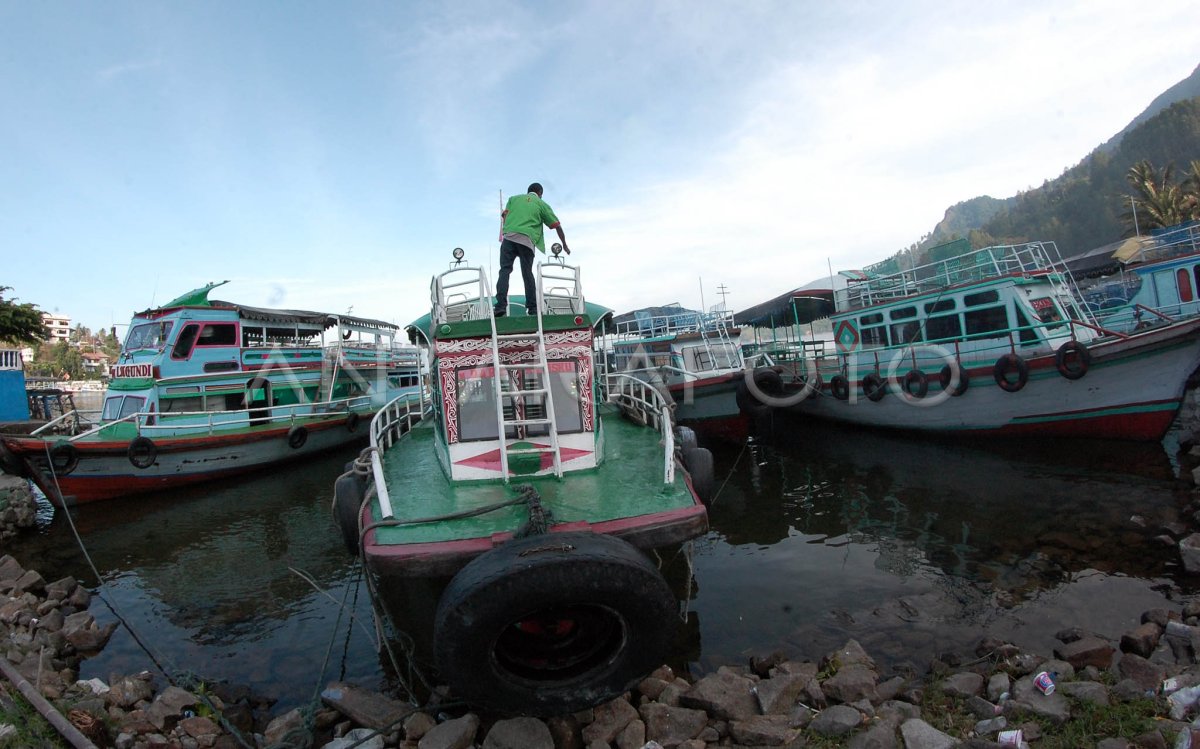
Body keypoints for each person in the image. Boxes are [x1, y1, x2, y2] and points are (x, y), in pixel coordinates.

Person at [494, 182, 569, 316]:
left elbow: (504, 217)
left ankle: (500, 306)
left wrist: (509, 230)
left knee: (504, 271)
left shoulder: (513, 199)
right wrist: (564, 244)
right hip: (527, 240)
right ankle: (532, 308)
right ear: (540, 193)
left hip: (509, 237)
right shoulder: (541, 204)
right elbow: (556, 225)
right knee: (527, 273)